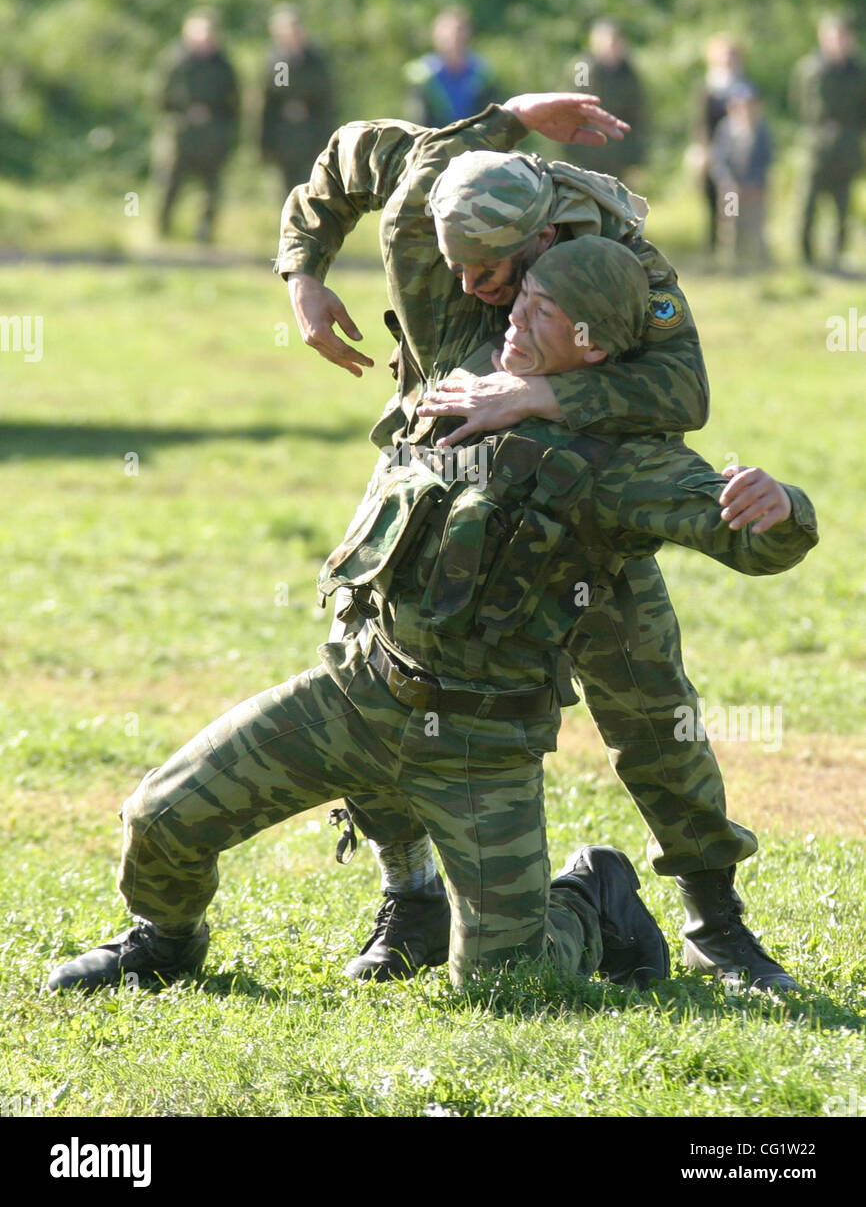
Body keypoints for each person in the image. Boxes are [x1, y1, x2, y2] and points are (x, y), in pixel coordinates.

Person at [47, 237, 816, 996]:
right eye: (526, 295)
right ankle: (168, 943)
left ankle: (593, 898)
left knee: (505, 983)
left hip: (481, 745)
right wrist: (307, 266)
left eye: (545, 311)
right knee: (159, 818)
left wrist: (779, 509)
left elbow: (749, 538)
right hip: (358, 695)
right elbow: (405, 186)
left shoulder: (628, 460)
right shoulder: (466, 364)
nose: (517, 316)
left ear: (593, 348)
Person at [280, 95, 801, 992]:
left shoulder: (616, 259)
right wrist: (304, 271)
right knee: (369, 675)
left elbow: (683, 390)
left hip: (588, 500)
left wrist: (539, 399)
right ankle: (409, 900)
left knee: (650, 707)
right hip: (439, 481)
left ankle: (717, 926)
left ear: (547, 243)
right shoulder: (436, 189)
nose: (478, 291)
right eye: (458, 271)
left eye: (498, 275)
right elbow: (351, 154)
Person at [790, 14, 866, 270]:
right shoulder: (810, 69)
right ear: (823, 39)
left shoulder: (858, 72)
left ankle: (837, 255)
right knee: (807, 202)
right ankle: (806, 257)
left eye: (843, 38)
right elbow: (799, 104)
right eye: (833, 37)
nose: (839, 43)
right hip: (816, 145)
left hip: (847, 145)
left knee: (843, 206)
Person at [157, 9, 240, 244]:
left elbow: (234, 103)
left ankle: (205, 233)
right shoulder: (175, 62)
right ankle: (163, 229)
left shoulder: (223, 66)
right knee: (170, 184)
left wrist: (219, 125)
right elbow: (162, 98)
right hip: (181, 136)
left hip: (213, 137)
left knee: (211, 190)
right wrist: (183, 116)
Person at [259, 4, 335, 196]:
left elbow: (325, 96)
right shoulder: (280, 62)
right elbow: (276, 93)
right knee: (288, 189)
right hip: (285, 137)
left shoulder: (315, 60)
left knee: (315, 185)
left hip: (313, 133)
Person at [563, 19, 648, 182]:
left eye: (616, 43)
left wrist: (636, 156)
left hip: (618, 151)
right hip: (587, 147)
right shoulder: (584, 68)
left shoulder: (628, 72)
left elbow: (637, 114)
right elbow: (574, 104)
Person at [691, 35, 750, 254]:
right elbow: (700, 122)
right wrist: (702, 150)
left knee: (733, 198)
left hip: (737, 152)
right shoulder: (707, 87)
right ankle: (713, 246)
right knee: (711, 198)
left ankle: (734, 245)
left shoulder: (744, 87)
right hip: (712, 151)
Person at [710, 83, 773, 269]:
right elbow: (719, 160)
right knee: (730, 226)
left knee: (755, 224)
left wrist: (756, 182)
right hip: (730, 190)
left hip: (755, 189)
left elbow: (766, 159)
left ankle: (758, 262)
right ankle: (732, 264)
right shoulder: (726, 129)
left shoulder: (761, 129)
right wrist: (728, 182)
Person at [404, 8, 500, 128]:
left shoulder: (482, 73)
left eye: (459, 30)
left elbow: (491, 117)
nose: (454, 37)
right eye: (447, 31)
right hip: (434, 140)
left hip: (475, 140)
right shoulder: (423, 74)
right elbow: (418, 119)